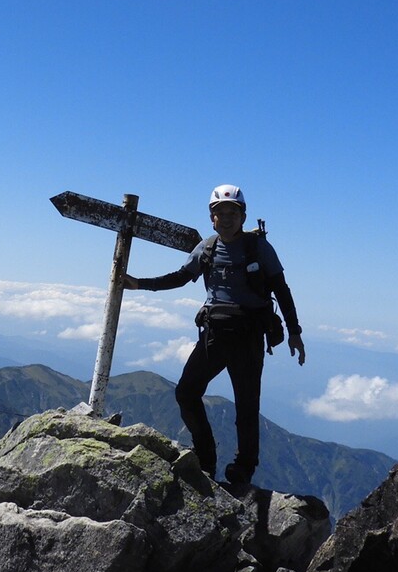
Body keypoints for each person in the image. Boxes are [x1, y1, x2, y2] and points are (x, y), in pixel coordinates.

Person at [123, 184, 304, 485]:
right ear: (212, 218)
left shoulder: (258, 247)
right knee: (186, 392)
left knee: (247, 406)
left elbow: (281, 290)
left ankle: (243, 468)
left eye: (232, 212)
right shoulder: (207, 247)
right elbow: (180, 277)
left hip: (248, 338)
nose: (227, 218)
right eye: (220, 213)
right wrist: (140, 284)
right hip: (214, 336)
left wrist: (295, 332)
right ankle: (205, 456)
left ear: (243, 216)